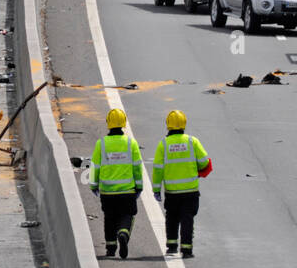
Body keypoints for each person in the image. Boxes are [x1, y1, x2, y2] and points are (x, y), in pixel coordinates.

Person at [151, 109, 212, 259]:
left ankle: (172, 246)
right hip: (190, 190)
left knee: (171, 217)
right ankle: (187, 249)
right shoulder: (192, 141)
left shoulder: (163, 145)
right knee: (187, 219)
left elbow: (158, 169)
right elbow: (204, 161)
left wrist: (156, 189)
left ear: (168, 125)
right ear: (184, 123)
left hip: (172, 192)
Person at [89, 108, 144, 259]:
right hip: (127, 191)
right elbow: (137, 167)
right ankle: (123, 233)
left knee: (109, 217)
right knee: (127, 214)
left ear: (108, 123)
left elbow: (95, 166)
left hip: (108, 192)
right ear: (124, 123)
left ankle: (111, 247)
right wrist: (139, 186)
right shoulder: (130, 143)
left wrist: (93, 185)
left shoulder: (102, 144)